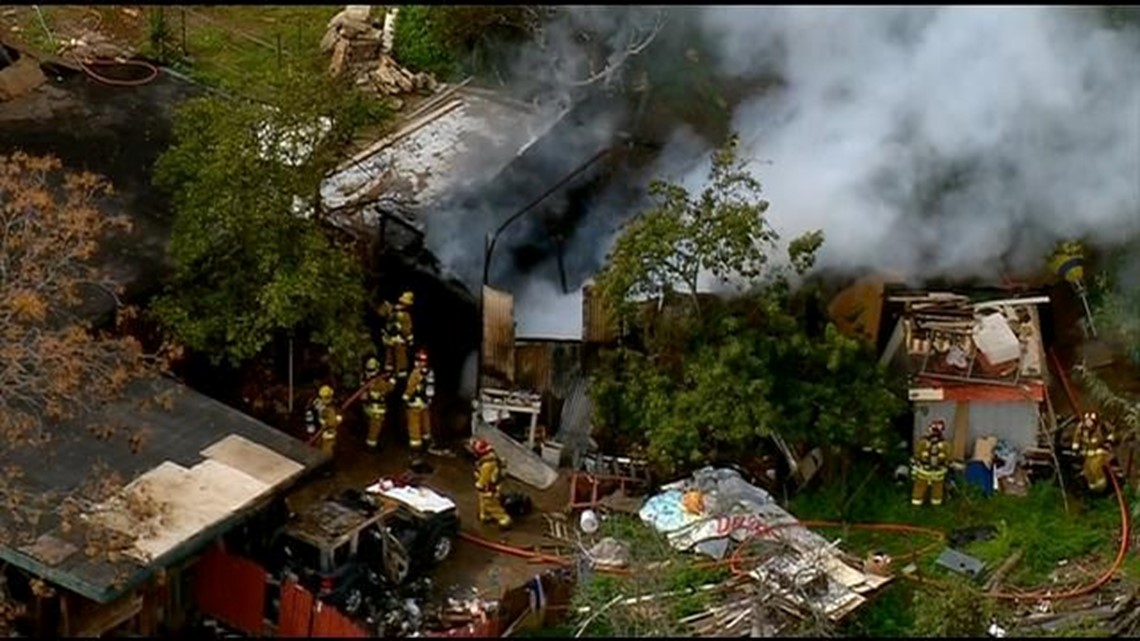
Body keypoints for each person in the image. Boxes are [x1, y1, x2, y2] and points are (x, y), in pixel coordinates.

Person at [472, 438, 512, 528]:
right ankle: (485, 515)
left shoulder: (488, 465)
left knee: (490, 504)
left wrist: (479, 484)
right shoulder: (489, 460)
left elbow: (484, 479)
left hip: (488, 488)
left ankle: (504, 519)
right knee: (483, 502)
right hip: (488, 487)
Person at [403, 348, 436, 452]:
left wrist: (405, 398)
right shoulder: (430, 372)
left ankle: (416, 447)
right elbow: (431, 387)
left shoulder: (415, 373)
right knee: (426, 423)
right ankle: (426, 442)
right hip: (424, 403)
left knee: (414, 426)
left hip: (414, 404)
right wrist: (429, 399)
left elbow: (410, 387)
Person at [1072, 411, 1113, 493]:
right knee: (1087, 469)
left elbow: (1111, 435)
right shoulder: (1081, 429)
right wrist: (1075, 448)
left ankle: (1101, 485)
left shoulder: (1101, 428)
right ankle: (1092, 487)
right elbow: (1076, 438)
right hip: (1088, 454)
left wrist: (1108, 442)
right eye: (1087, 422)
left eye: (1090, 422)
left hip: (1100, 452)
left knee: (1095, 466)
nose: (1089, 424)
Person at [911, 419, 949, 506]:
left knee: (932, 489)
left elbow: (917, 455)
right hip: (928, 471)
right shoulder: (944, 444)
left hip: (932, 472)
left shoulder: (924, 443)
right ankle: (919, 504)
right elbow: (917, 455)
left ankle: (931, 504)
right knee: (930, 488)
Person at [363, 362, 397, 449]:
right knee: (375, 427)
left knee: (372, 426)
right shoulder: (378, 382)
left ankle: (372, 442)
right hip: (377, 409)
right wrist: (393, 379)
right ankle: (371, 445)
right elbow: (389, 388)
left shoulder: (365, 380)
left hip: (369, 408)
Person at [306, 385, 342, 458]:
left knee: (323, 449)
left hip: (322, 432)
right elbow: (310, 418)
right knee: (324, 451)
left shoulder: (330, 405)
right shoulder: (318, 407)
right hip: (321, 432)